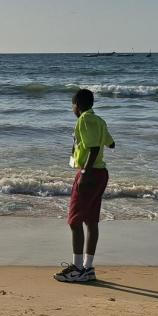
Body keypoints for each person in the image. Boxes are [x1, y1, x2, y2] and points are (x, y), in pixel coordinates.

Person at [54, 88, 115, 283]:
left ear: (77, 106)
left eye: (72, 105)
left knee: (74, 221)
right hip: (101, 173)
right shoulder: (99, 120)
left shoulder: (84, 120)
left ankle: (77, 267)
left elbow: (94, 148)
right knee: (91, 221)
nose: (72, 109)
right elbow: (110, 144)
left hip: (90, 173)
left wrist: (85, 172)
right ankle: (87, 268)